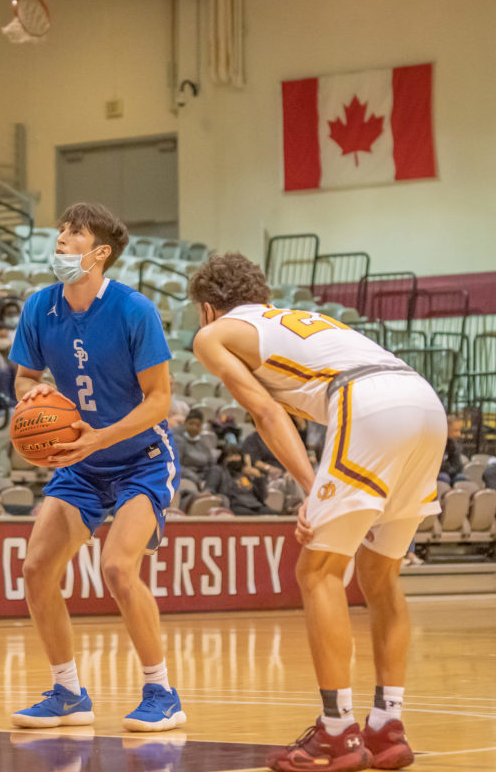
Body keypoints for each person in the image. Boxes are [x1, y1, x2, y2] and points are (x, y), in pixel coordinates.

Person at [189, 253, 446, 772]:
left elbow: (264, 411)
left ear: (209, 309)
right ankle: (386, 726)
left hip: (367, 401)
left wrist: (311, 488)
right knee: (380, 574)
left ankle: (335, 732)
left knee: (317, 571)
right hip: (423, 400)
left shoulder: (213, 334)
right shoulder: (294, 320)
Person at [8, 202, 184, 733]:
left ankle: (161, 692)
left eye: (75, 233)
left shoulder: (134, 310)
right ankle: (67, 693)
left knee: (115, 568)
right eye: (61, 230)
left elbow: (159, 401)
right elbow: (22, 381)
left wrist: (100, 438)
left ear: (100, 252)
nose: (61, 239)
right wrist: (32, 392)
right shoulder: (40, 307)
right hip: (80, 464)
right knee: (37, 569)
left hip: (141, 458)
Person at [203, 444, 279, 516]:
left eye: (238, 455)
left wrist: (259, 477)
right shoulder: (218, 470)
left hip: (256, 506)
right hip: (235, 506)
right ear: (224, 458)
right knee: (250, 516)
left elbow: (262, 496)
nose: (235, 458)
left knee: (277, 514)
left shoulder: (245, 474)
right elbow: (210, 490)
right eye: (232, 455)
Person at [176, 410, 216, 484]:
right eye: (191, 424)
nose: (194, 427)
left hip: (203, 478)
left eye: (198, 425)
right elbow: (176, 466)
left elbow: (211, 463)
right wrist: (194, 477)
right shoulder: (178, 440)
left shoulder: (202, 442)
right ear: (185, 424)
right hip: (185, 478)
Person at [439, 415, 468, 484]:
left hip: (451, 474)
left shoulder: (455, 445)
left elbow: (457, 467)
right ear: (445, 429)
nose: (459, 434)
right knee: (444, 477)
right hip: (436, 477)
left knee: (461, 478)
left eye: (460, 431)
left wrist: (448, 468)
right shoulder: (436, 445)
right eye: (456, 431)